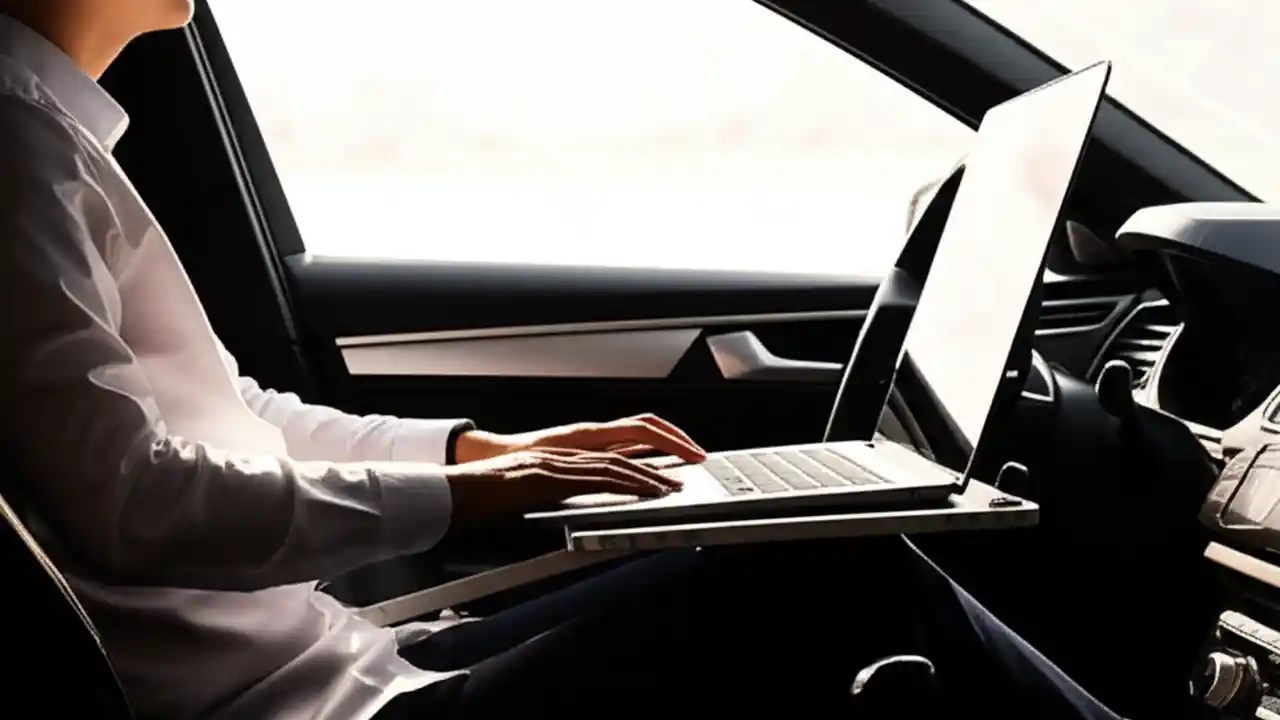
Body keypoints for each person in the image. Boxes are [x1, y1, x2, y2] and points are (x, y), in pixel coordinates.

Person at [0, 2, 1127, 719]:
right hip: (319, 706)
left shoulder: (49, 133)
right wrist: (471, 496)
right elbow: (132, 500)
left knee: (806, 553)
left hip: (349, 660)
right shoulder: (15, 145)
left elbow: (238, 416)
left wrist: (489, 452)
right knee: (847, 573)